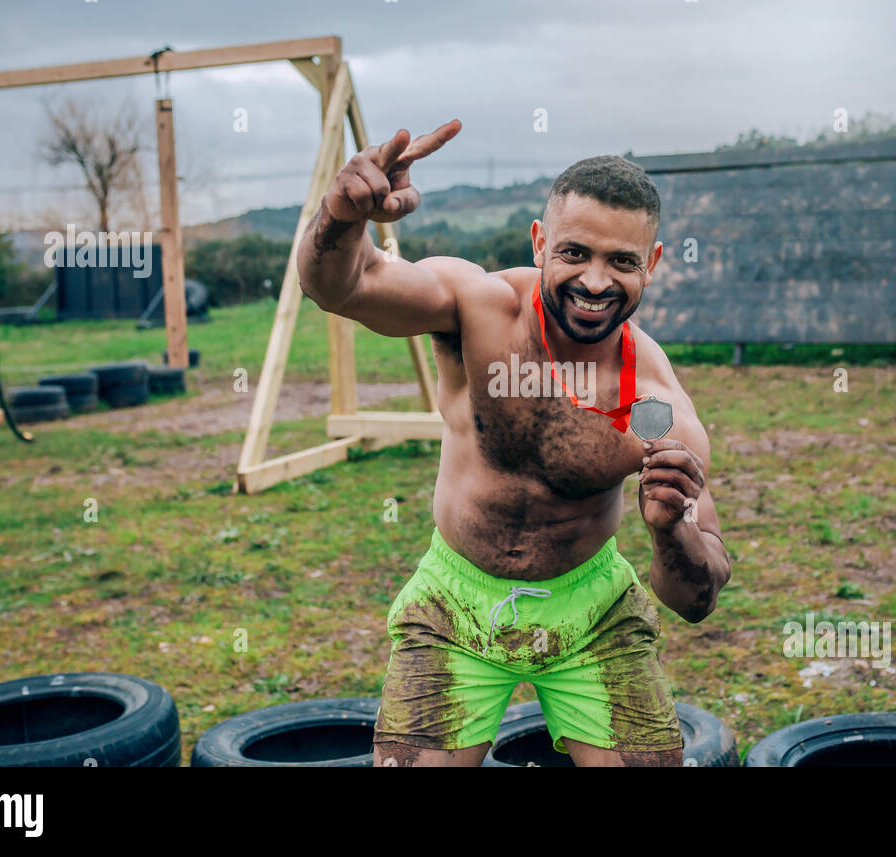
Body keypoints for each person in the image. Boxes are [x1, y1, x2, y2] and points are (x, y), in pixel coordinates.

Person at [298, 119, 731, 766]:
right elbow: (338, 287)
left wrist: (672, 532)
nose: (594, 282)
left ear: (654, 264)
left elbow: (695, 599)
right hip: (453, 599)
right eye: (575, 253)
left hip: (595, 612)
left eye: (622, 261)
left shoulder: (655, 409)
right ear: (539, 242)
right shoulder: (480, 308)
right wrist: (343, 214)